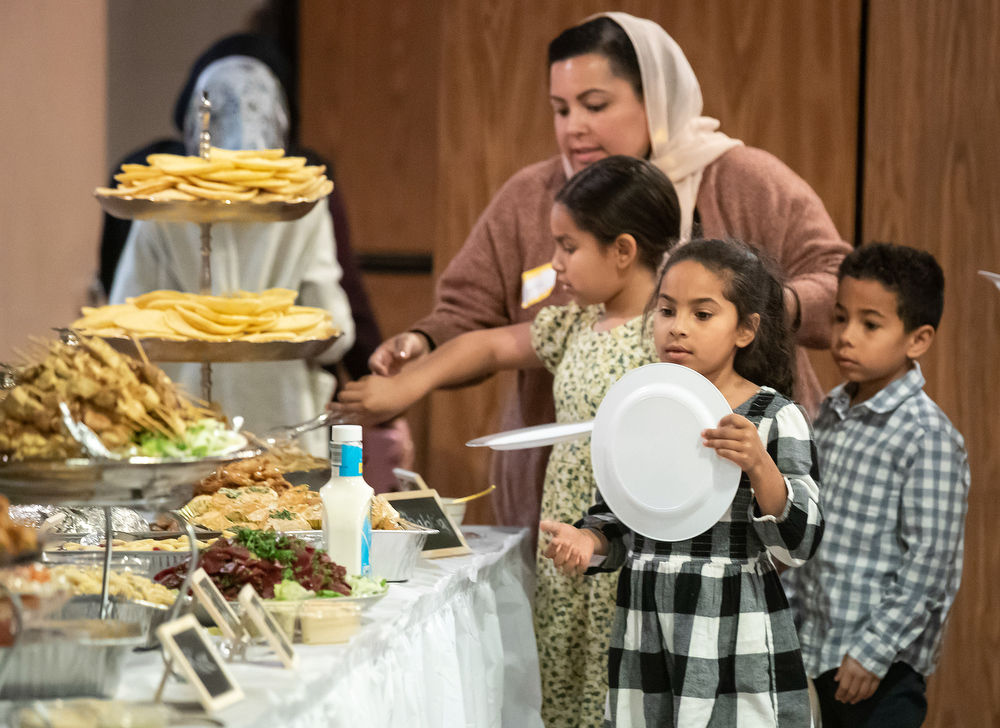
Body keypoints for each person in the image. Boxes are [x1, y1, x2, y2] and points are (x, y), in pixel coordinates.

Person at [367, 12, 851, 532]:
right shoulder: (535, 195)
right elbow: (469, 314)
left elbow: (835, 277)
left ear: (656, 100)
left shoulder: (740, 178)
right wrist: (421, 341)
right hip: (572, 500)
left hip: (730, 486)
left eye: (595, 105)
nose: (574, 126)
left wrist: (750, 308)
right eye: (560, 109)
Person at [339, 156, 681, 728]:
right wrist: (410, 384)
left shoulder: (669, 335)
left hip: (627, 555)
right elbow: (489, 347)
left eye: (568, 247)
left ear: (622, 250)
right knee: (565, 689)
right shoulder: (574, 324)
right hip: (563, 546)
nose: (554, 263)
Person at [542, 238, 824, 728]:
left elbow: (801, 540)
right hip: (646, 621)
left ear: (746, 329)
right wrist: (586, 539)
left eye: (703, 314)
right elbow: (617, 516)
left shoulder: (774, 417)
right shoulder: (641, 407)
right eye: (667, 310)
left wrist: (761, 466)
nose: (678, 327)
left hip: (732, 623)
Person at [110, 38, 355, 456]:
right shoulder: (305, 208)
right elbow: (337, 332)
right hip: (282, 426)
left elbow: (124, 327)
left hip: (180, 432)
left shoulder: (161, 208)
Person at [785, 243, 970, 728]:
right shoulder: (827, 415)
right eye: (841, 318)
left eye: (870, 324)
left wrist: (874, 651)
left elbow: (930, 562)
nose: (845, 337)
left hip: (880, 667)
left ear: (918, 339)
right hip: (813, 650)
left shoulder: (926, 435)